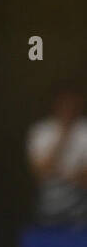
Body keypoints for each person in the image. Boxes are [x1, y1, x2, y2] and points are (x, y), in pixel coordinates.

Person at [27, 84, 87, 228]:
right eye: (64, 104)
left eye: (73, 104)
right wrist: (64, 136)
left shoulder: (85, 131)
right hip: (48, 206)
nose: (68, 108)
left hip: (80, 208)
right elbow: (41, 172)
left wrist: (61, 174)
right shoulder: (41, 131)